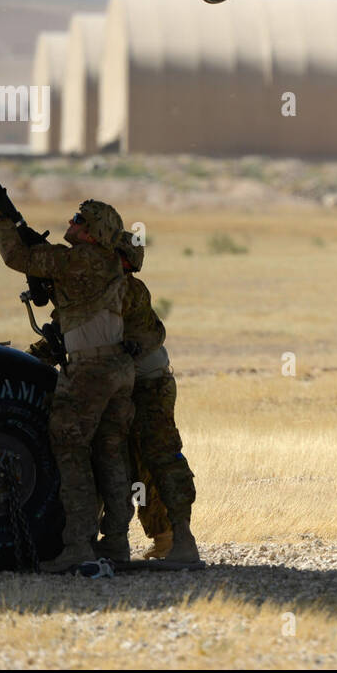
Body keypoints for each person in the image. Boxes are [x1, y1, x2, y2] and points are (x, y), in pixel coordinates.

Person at [0, 199, 135, 571]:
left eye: (78, 220)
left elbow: (17, 257)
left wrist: (2, 221)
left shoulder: (79, 259)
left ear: (92, 232)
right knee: (111, 453)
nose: (70, 223)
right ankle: (116, 543)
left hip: (89, 369)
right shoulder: (104, 262)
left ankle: (78, 547)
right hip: (119, 366)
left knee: (71, 451)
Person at [114, 231, 199, 563]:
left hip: (149, 385)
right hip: (132, 385)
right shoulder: (110, 289)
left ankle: (181, 539)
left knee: (160, 458)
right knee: (138, 465)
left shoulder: (128, 290)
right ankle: (164, 539)